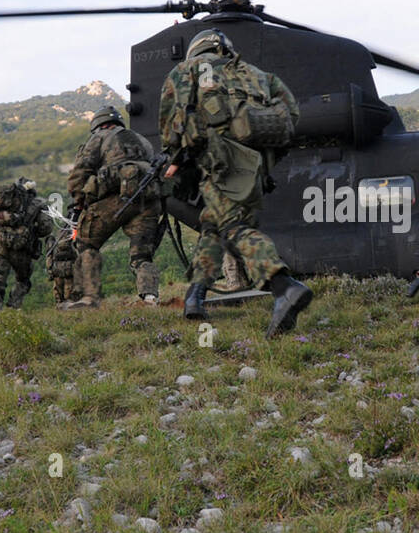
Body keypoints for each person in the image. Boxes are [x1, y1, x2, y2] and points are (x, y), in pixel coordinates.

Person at [158, 28, 312, 338]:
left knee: (232, 228)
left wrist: (175, 158)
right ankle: (196, 296)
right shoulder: (258, 74)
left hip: (220, 160)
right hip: (254, 162)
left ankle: (284, 287)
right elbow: (291, 114)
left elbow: (170, 128)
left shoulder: (186, 71)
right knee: (213, 224)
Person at [61, 106, 162, 309]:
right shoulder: (143, 141)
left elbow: (80, 172)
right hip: (148, 201)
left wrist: (78, 201)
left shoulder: (100, 137)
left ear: (98, 125)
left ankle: (90, 298)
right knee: (141, 255)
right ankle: (150, 297)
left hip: (115, 199)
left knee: (85, 243)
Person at [0, 177, 53, 312]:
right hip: (23, 250)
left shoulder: (2, 205)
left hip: (0, 247)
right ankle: (13, 309)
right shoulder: (38, 204)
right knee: (23, 281)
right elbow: (45, 228)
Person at [45, 213, 80, 305]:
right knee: (70, 295)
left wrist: (50, 271)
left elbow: (49, 257)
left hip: (57, 269)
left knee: (58, 295)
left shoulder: (55, 237)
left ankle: (60, 310)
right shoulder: (73, 235)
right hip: (70, 269)